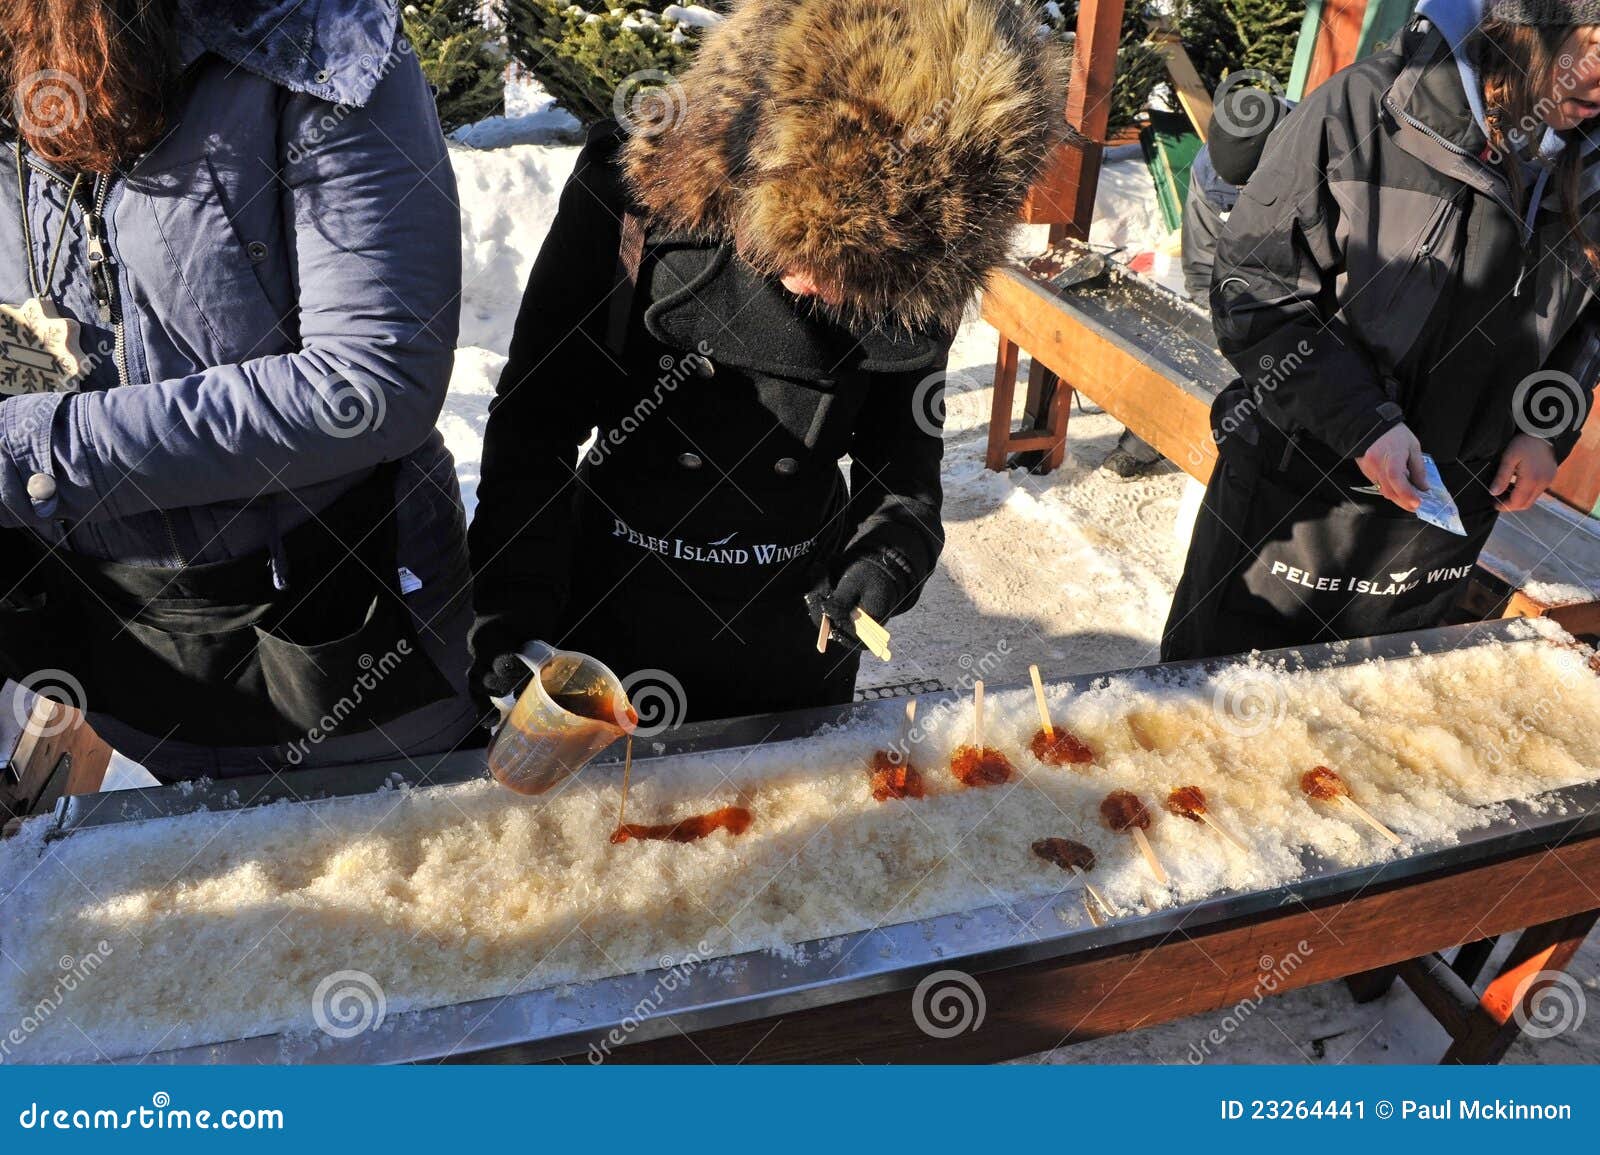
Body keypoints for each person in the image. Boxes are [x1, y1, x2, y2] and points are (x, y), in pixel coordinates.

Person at [469, 0, 1065, 723]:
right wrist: (509, 607)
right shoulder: (631, 204)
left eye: (866, 267)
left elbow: (902, 472)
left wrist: (884, 561)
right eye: (812, 243)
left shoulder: (918, 268)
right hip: (609, 622)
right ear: (769, 164)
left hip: (791, 640)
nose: (825, 288)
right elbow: (536, 421)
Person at [0, 0, 476, 777]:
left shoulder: (314, 38)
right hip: (125, 652)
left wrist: (36, 450)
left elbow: (370, 381)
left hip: (341, 649)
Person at [1162, 0, 1600, 662]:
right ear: (1530, 24)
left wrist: (1548, 429)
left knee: (1361, 738)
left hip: (1443, 528)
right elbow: (1253, 282)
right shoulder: (1371, 108)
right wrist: (1362, 420)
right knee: (1211, 729)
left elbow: (1588, 325)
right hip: (1296, 500)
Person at [1102, 94, 1292, 478]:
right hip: (1240, 275)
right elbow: (1202, 261)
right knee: (1194, 342)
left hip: (1300, 287)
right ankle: (1149, 436)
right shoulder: (1210, 169)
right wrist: (1214, 320)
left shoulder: (1321, 156)